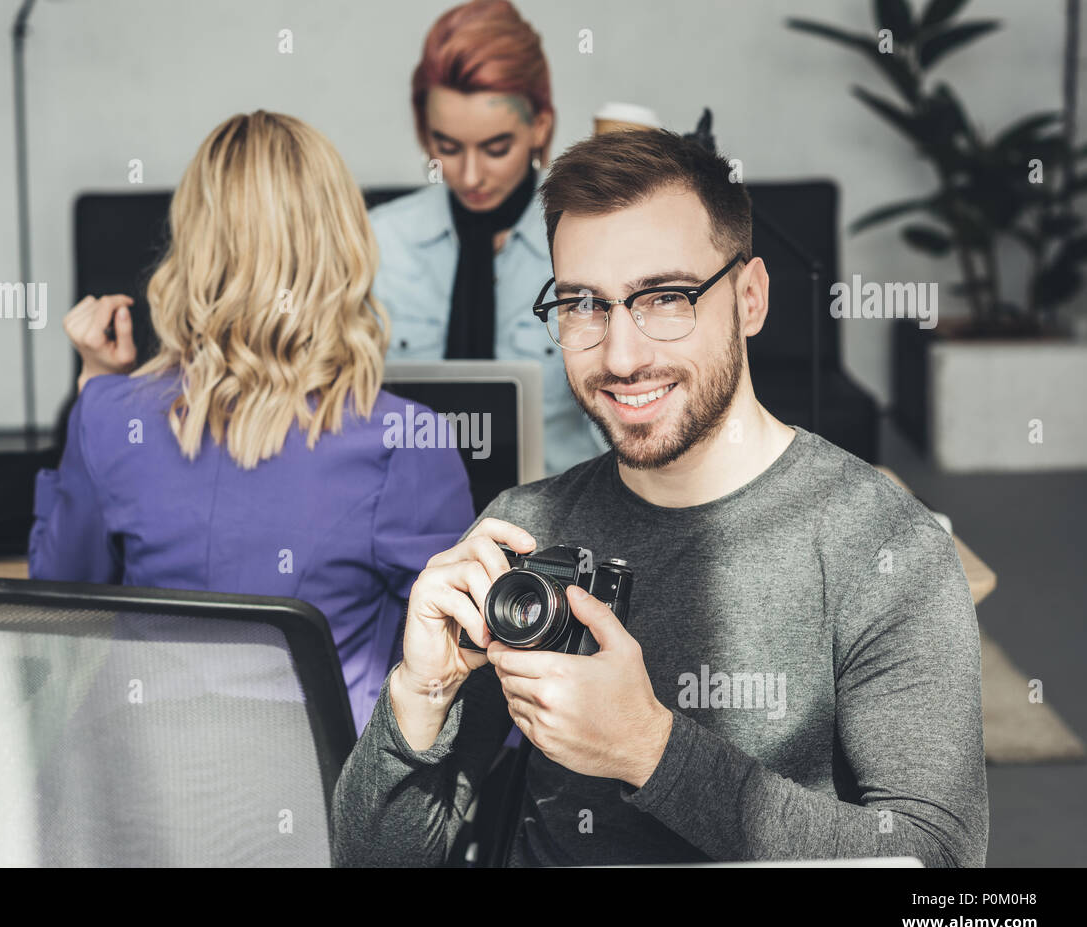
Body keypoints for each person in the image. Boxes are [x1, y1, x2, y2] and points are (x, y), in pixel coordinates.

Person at [331, 127, 988, 866]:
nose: (621, 355)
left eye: (664, 298)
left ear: (749, 298)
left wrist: (650, 748)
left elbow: (940, 870)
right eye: (584, 304)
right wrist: (417, 694)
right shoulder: (523, 534)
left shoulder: (881, 545)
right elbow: (373, 857)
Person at [28, 111, 475, 735]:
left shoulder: (107, 416)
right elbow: (459, 672)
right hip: (329, 822)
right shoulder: (406, 442)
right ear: (342, 248)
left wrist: (95, 388)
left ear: (192, 249)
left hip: (139, 814)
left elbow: (52, 603)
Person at [370, 0, 605, 476]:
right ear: (424, 131)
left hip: (558, 527)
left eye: (496, 148)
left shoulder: (592, 242)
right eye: (448, 147)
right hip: (409, 517)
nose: (471, 175)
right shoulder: (378, 244)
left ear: (539, 125)